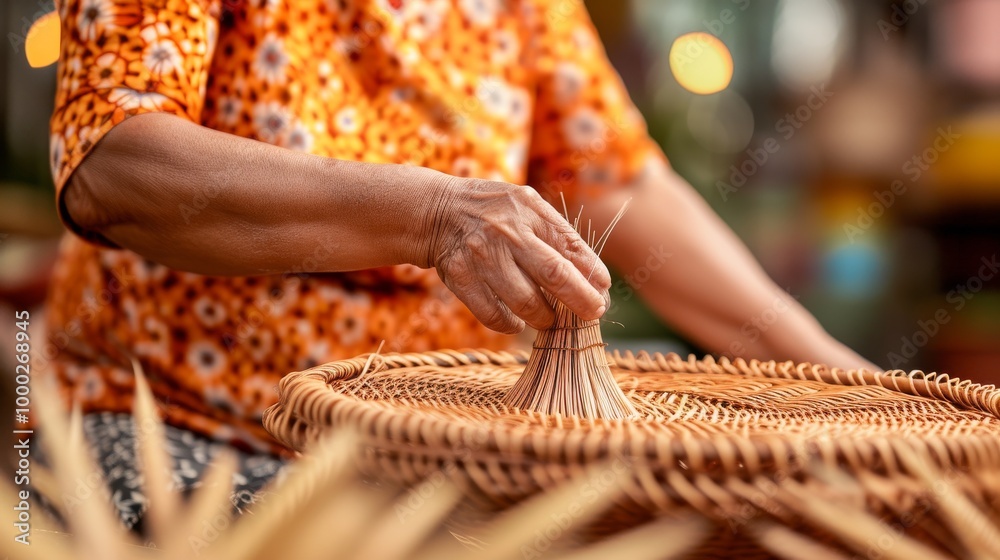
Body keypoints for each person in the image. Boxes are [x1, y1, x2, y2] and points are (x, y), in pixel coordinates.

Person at [41, 0, 875, 526]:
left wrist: (845, 384)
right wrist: (432, 215)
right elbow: (114, 166)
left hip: (442, 446)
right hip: (181, 425)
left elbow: (620, 182)